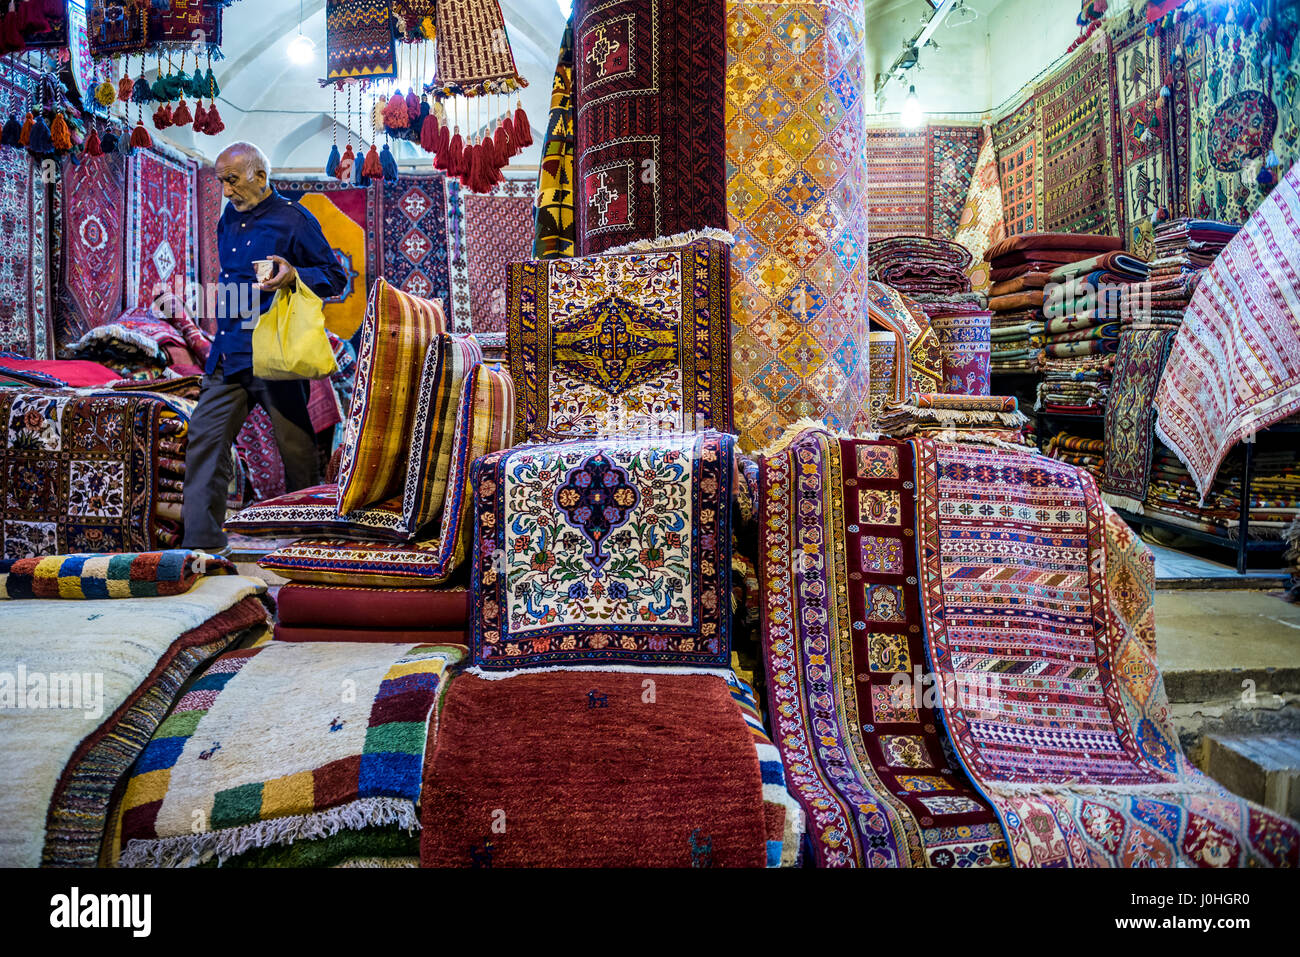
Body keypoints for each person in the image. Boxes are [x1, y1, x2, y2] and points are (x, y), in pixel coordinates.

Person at [181, 142, 347, 551]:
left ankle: (310, 546)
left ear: (259, 175)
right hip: (231, 351)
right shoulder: (227, 220)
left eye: (232, 180)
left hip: (276, 353)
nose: (226, 191)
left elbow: (334, 277)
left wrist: (294, 275)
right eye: (221, 182)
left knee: (298, 451)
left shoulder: (292, 219)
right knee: (205, 439)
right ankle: (202, 547)